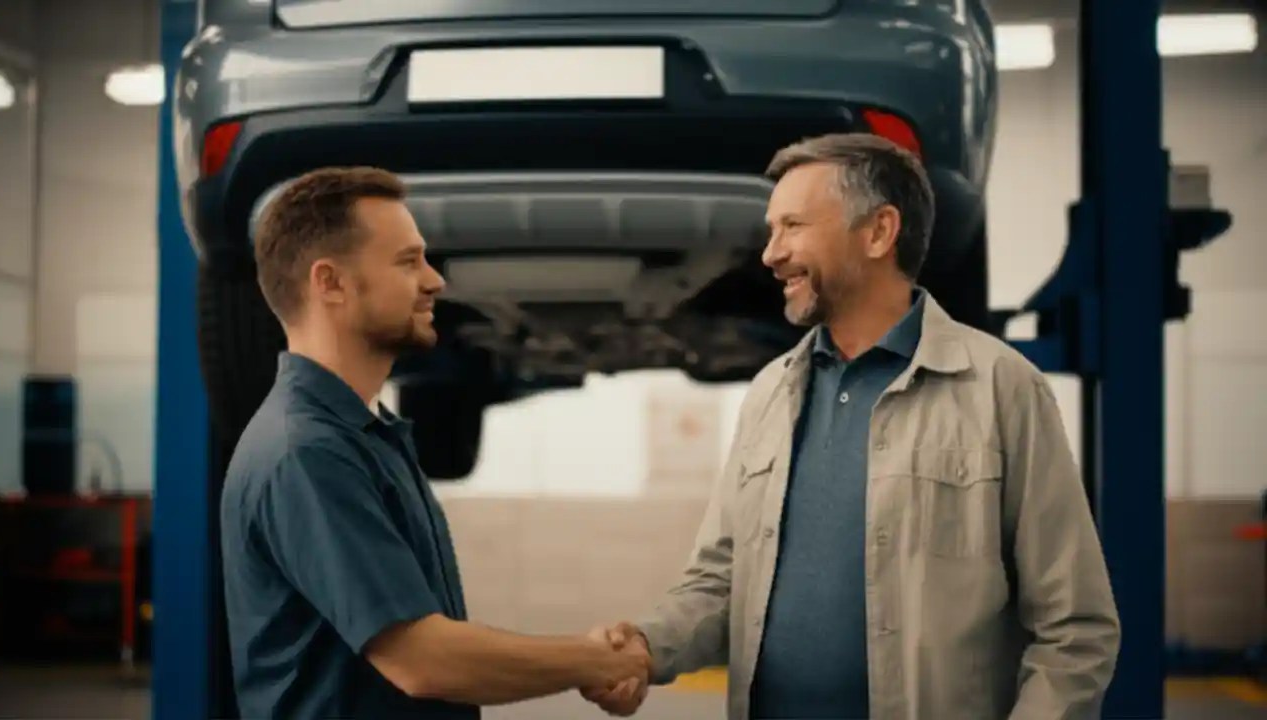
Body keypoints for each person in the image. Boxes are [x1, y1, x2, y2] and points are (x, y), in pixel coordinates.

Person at [583, 133, 1121, 720]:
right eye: (771, 230)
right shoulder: (771, 393)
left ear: (878, 232)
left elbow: (1075, 630)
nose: (770, 253)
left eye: (793, 226)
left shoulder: (998, 387)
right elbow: (720, 582)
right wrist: (645, 647)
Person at [219, 167, 649, 720]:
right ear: (330, 283)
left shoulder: (365, 436)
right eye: (407, 261)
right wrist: (594, 661)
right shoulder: (305, 452)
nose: (434, 281)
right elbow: (422, 660)